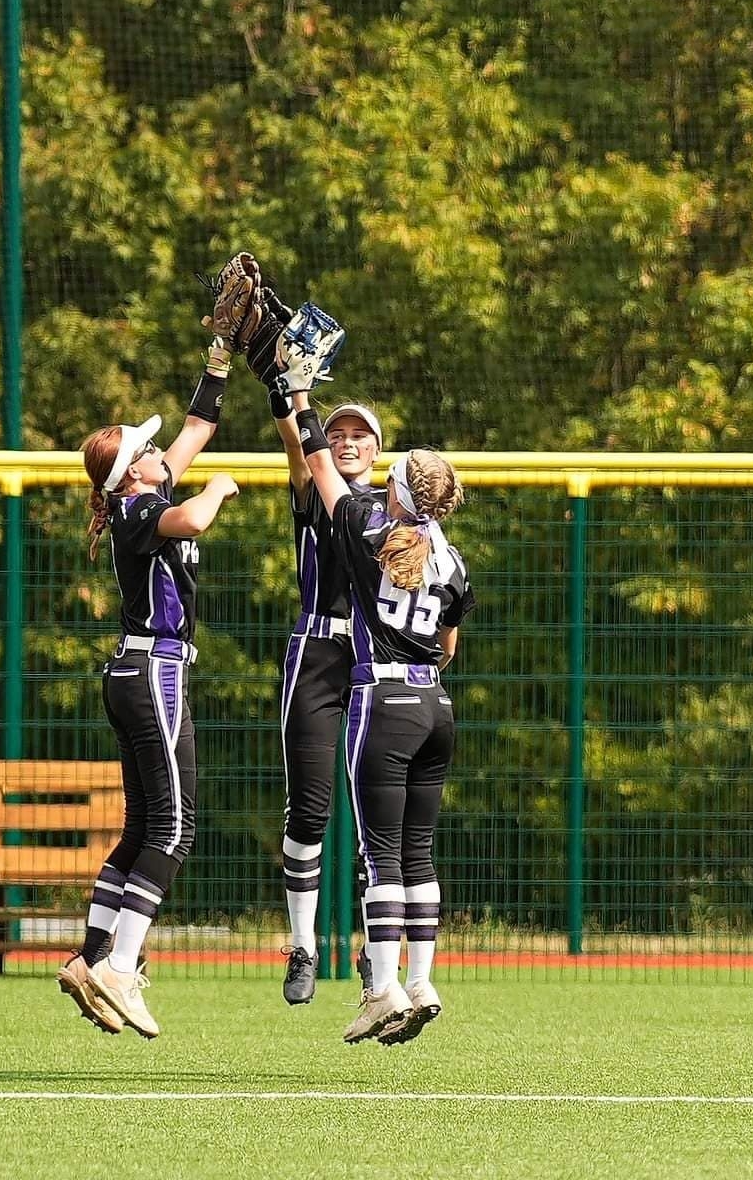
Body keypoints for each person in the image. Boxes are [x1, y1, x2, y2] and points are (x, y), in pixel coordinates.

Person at [273, 392, 474, 1046]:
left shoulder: (368, 528)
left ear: (396, 487)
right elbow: (448, 643)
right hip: (436, 706)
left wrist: (296, 393)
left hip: (383, 700)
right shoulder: (452, 560)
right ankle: (422, 981)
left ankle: (380, 989)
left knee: (379, 853)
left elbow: (319, 463)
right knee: (420, 852)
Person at [56, 336, 240, 1040]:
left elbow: (198, 426)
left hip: (140, 671)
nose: (156, 452)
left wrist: (219, 361)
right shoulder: (138, 511)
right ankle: (120, 968)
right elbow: (193, 517)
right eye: (142, 450)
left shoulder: (144, 492)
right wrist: (219, 487)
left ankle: (90, 957)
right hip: (155, 669)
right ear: (126, 476)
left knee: (141, 828)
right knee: (174, 827)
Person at [266, 396, 385, 1004]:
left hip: (373, 657)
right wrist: (289, 386)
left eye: (359, 433)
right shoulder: (315, 489)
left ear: (377, 448)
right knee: (309, 808)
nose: (346, 440)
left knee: (375, 816)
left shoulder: (392, 508)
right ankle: (304, 945)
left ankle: (375, 949)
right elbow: (295, 441)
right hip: (314, 651)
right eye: (336, 432)